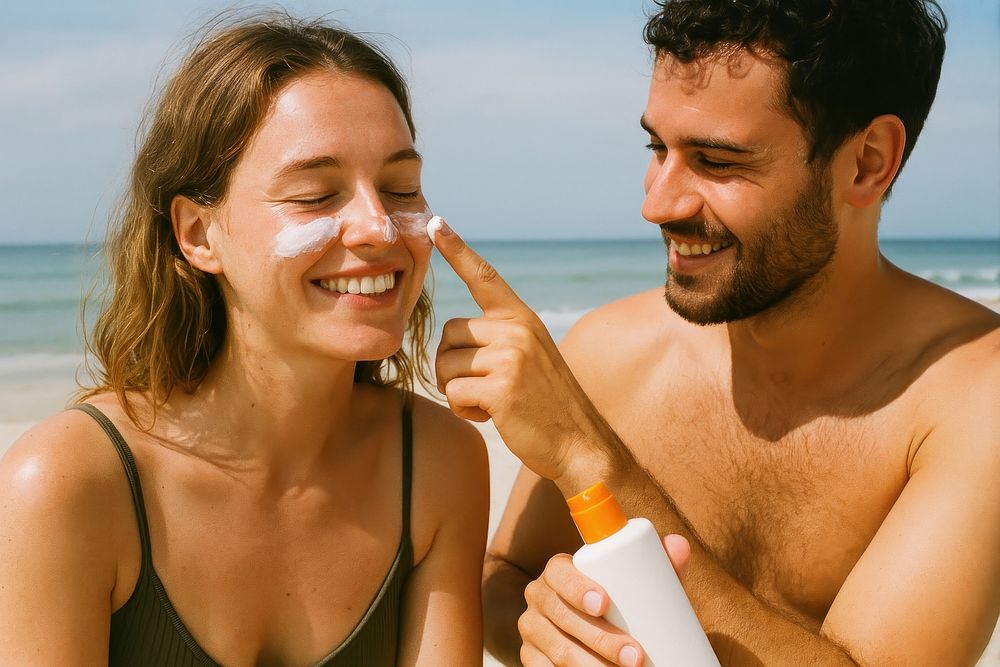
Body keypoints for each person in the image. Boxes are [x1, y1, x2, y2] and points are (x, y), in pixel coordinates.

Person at [430, 0, 1000, 665]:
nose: (657, 203)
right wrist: (543, 624)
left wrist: (595, 458)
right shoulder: (610, 352)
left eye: (717, 161)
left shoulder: (972, 395)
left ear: (868, 162)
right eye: (657, 148)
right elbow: (507, 577)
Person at [0, 13, 488, 666]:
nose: (380, 227)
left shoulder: (439, 461)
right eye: (317, 195)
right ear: (199, 234)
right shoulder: (65, 484)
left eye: (400, 188)